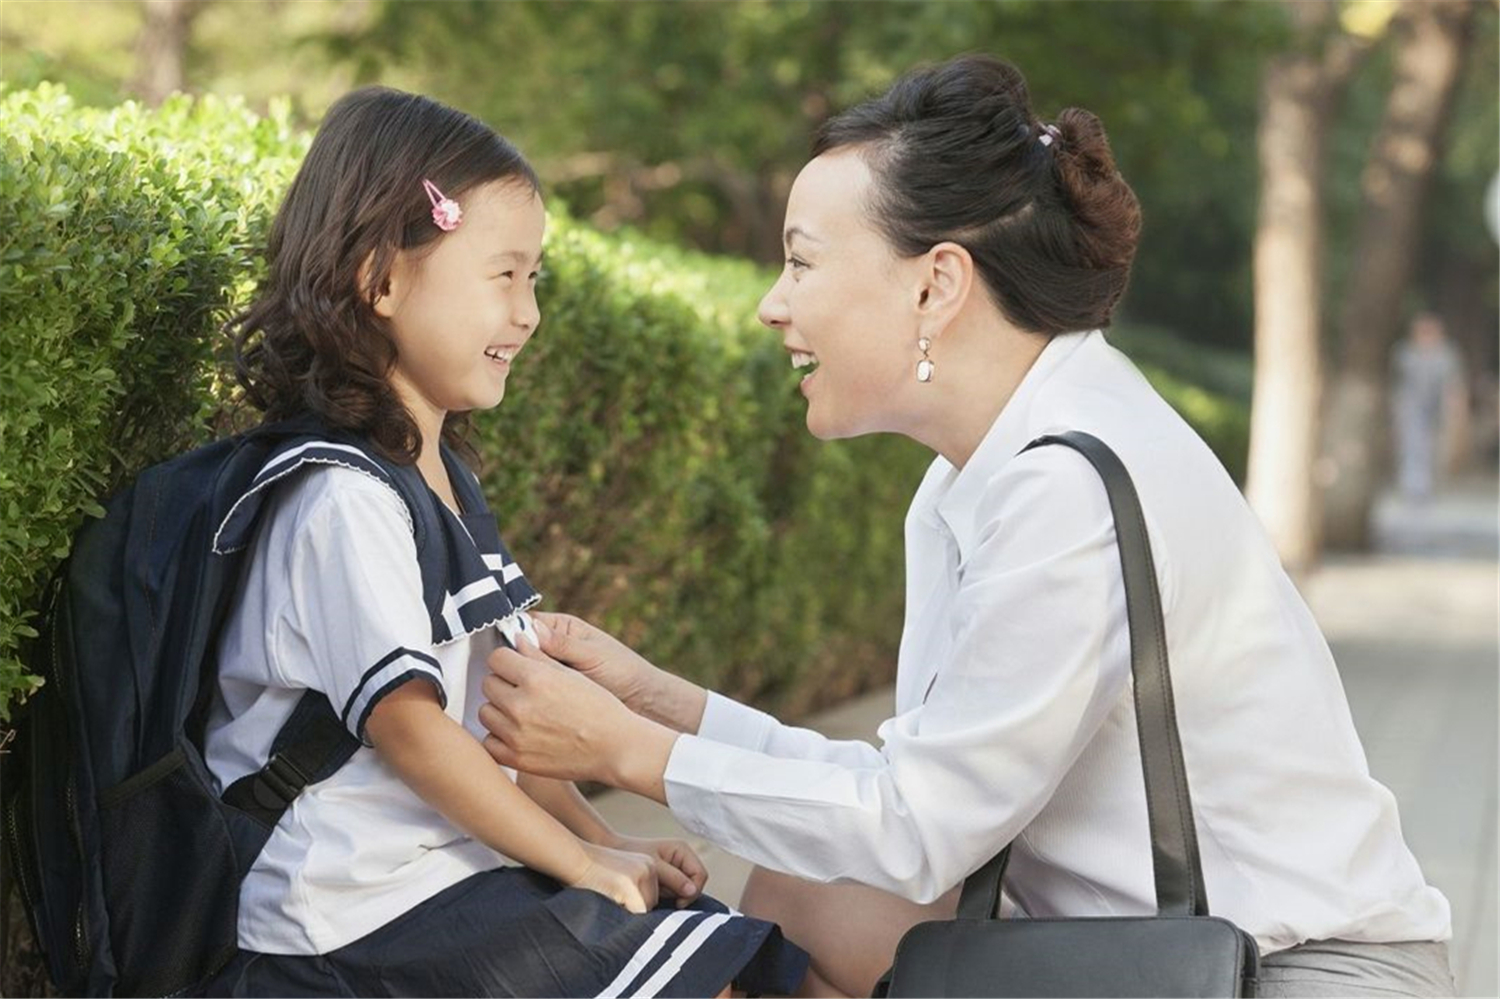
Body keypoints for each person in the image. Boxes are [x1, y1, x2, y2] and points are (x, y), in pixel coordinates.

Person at [478, 55, 1457, 999]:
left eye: (802, 263)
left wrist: (625, 752)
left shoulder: (1063, 484)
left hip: (1291, 973)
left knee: (812, 902)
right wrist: (664, 707)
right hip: (1165, 948)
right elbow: (922, 783)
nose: (773, 307)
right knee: (803, 896)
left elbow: (917, 830)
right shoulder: (992, 467)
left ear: (937, 285)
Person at [199, 86, 807, 998]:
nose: (528, 314)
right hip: (343, 916)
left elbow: (495, 730)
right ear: (383, 276)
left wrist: (606, 844)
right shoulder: (341, 497)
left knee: (734, 952)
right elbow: (410, 729)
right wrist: (578, 862)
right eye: (504, 275)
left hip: (443, 876)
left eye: (537, 279)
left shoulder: (440, 479)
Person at [1391, 311, 1466, 500]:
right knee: (1413, 445)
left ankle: (1427, 485)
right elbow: (1399, 384)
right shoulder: (1405, 354)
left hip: (1437, 407)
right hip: (1412, 407)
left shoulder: (1446, 355)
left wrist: (1455, 409)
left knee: (1432, 447)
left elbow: (1453, 383)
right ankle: (1414, 487)